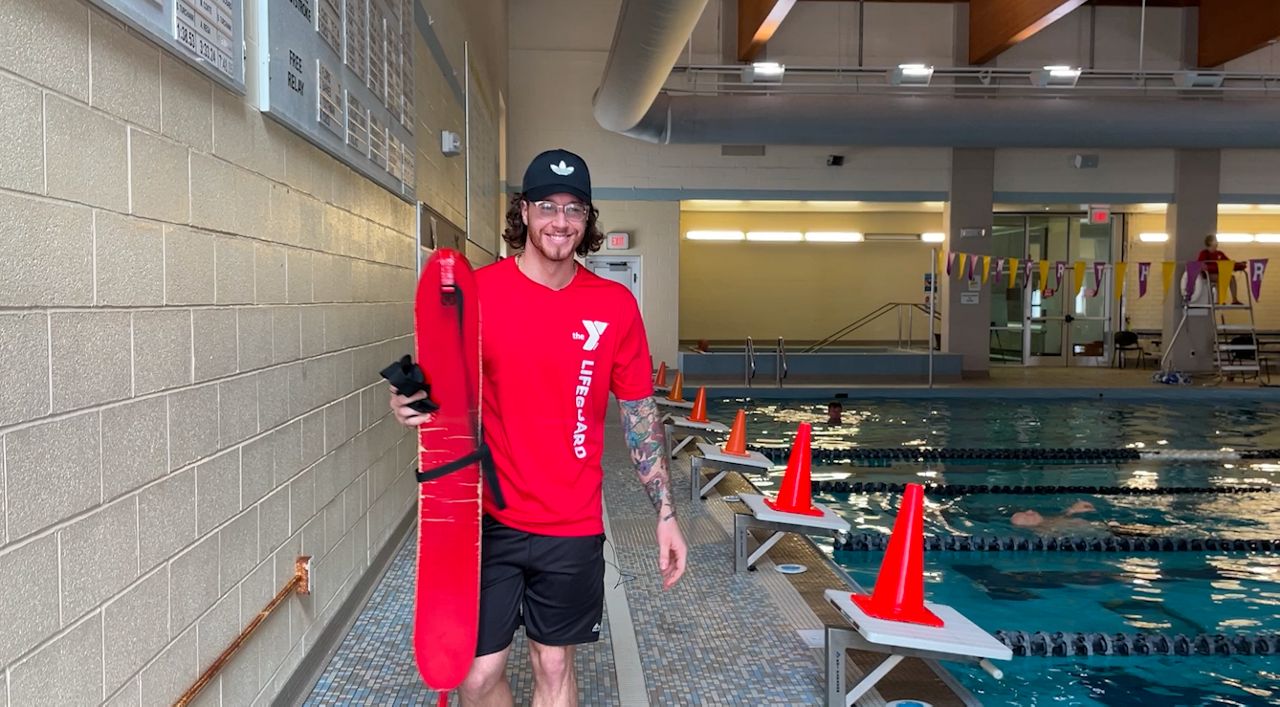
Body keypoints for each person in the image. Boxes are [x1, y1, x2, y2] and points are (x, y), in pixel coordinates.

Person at [389, 148, 688, 707]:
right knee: (477, 677)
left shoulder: (615, 305)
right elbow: (443, 393)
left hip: (572, 521)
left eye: (575, 209)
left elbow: (640, 414)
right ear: (523, 212)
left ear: (587, 220)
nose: (561, 221)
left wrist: (666, 514)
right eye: (548, 206)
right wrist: (410, 407)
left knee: (553, 665)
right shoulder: (480, 295)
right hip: (491, 517)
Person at [1197, 234, 1248, 305]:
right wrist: (1216, 269)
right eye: (1215, 242)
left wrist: (1239, 265)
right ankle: (1220, 300)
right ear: (1209, 243)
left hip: (1219, 273)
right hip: (1208, 274)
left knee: (1231, 277)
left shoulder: (1220, 254)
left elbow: (1229, 264)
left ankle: (1234, 299)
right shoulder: (1204, 253)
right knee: (1220, 277)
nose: (1216, 244)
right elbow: (1201, 265)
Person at [1011, 500, 1099, 534]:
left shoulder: (1046, 521)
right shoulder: (1043, 530)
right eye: (1026, 515)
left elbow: (1058, 519)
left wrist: (1073, 510)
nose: (1029, 511)